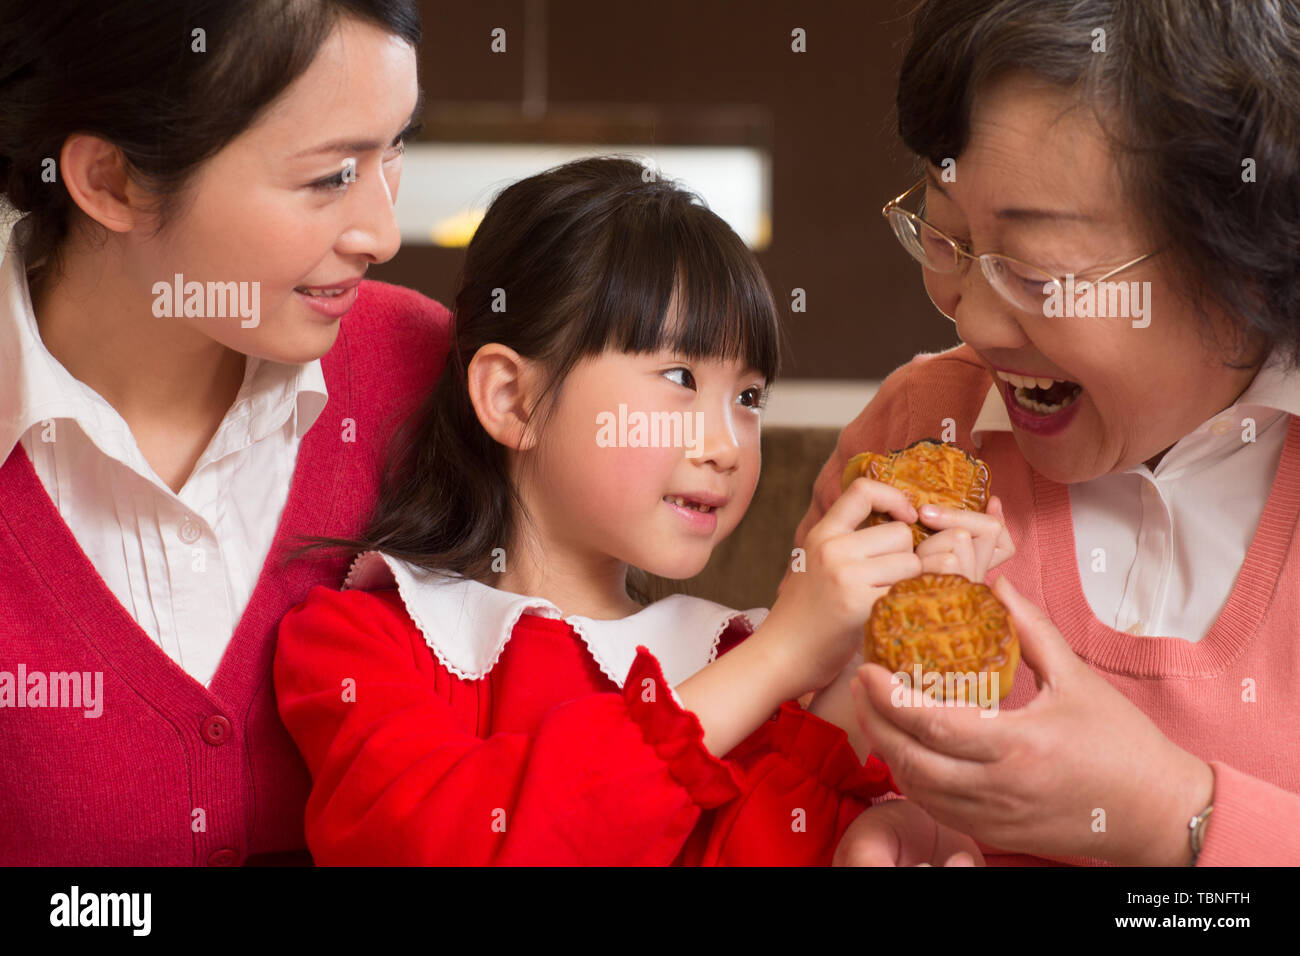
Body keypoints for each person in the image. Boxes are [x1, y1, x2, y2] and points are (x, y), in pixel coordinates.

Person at [272, 156, 1014, 864]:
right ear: (512, 398)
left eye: (748, 398)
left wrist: (863, 661)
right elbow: (452, 847)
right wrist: (780, 657)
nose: (726, 445)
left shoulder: (729, 657)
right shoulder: (355, 644)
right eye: (681, 376)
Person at [811, 0, 1300, 866]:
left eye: (1036, 274)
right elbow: (804, 761)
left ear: (1245, 266)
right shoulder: (916, 442)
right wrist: (882, 821)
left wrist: (1171, 818)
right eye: (946, 237)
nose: (977, 317)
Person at [0, 0, 450, 865]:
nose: (383, 234)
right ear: (113, 181)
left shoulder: (429, 377)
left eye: (394, 149)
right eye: (329, 178)